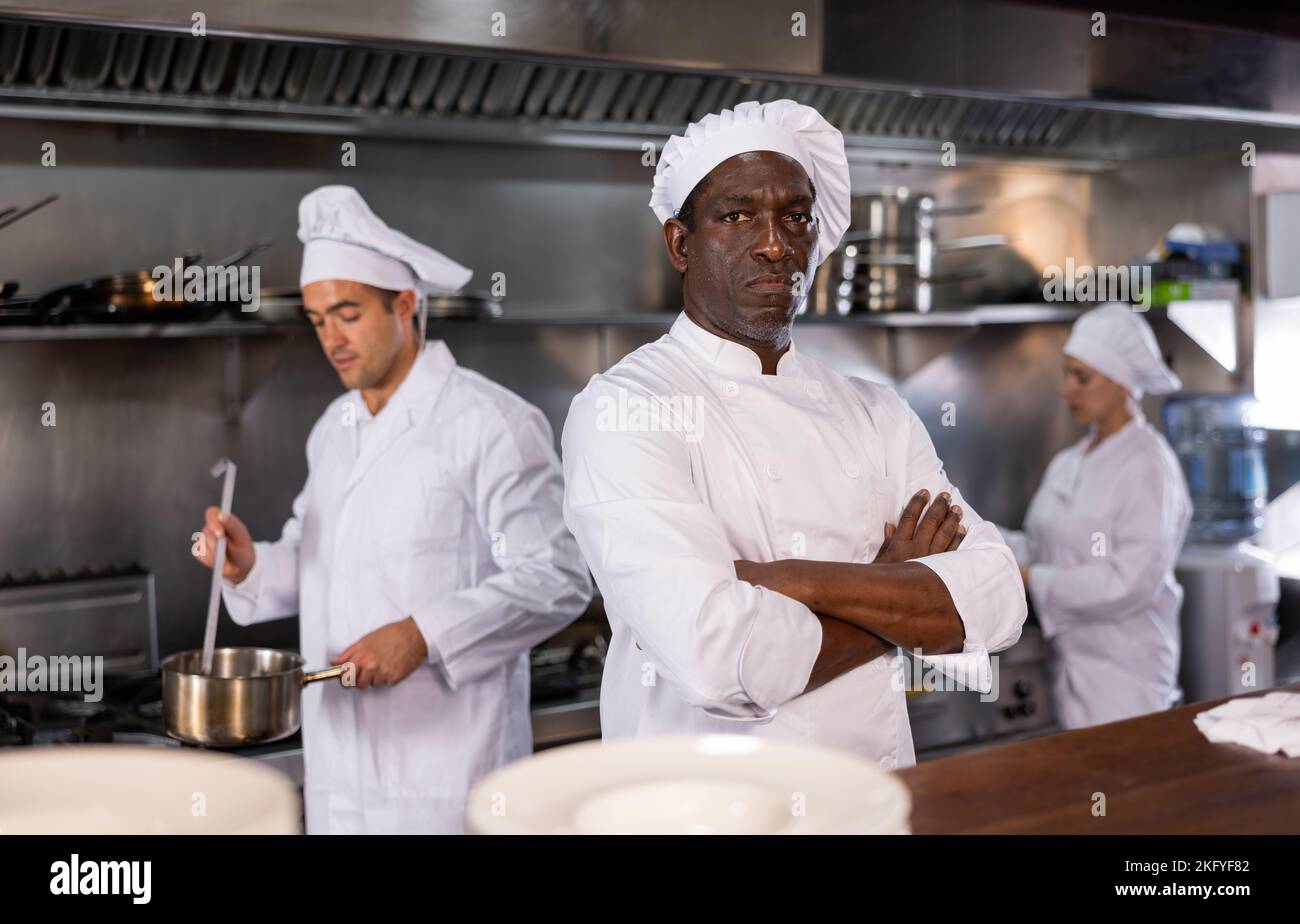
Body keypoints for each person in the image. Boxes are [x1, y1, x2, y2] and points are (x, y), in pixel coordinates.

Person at [560, 100, 1026, 769]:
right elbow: (719, 658)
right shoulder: (628, 407)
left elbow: (997, 597)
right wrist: (894, 594)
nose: (775, 243)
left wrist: (792, 581)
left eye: (795, 217)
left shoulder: (875, 410)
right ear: (680, 244)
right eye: (737, 214)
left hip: (874, 801)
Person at [194, 185, 592, 833]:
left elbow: (557, 578)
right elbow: (316, 556)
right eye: (319, 320)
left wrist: (422, 636)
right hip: (339, 778)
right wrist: (249, 566)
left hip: (449, 776)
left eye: (348, 313)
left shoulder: (490, 423)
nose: (331, 338)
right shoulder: (334, 428)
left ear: (405, 305)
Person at [999, 303, 1192, 729]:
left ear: (1123, 382)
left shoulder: (1149, 467)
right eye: (1066, 373)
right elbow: (1040, 544)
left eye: (1082, 377)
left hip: (1127, 674)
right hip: (1071, 666)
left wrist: (1033, 578)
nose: (1068, 389)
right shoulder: (1070, 462)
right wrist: (978, 538)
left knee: (1129, 788)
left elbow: (1130, 581)